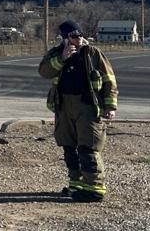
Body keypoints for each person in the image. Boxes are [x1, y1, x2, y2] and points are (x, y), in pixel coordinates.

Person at [39, 20, 118, 202]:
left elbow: (109, 79)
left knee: (88, 146)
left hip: (87, 105)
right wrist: (62, 58)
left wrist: (110, 106)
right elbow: (44, 72)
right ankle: (76, 184)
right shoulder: (57, 54)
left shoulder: (93, 53)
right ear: (65, 38)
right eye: (74, 36)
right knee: (69, 147)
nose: (79, 39)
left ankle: (95, 189)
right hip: (64, 106)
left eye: (80, 35)